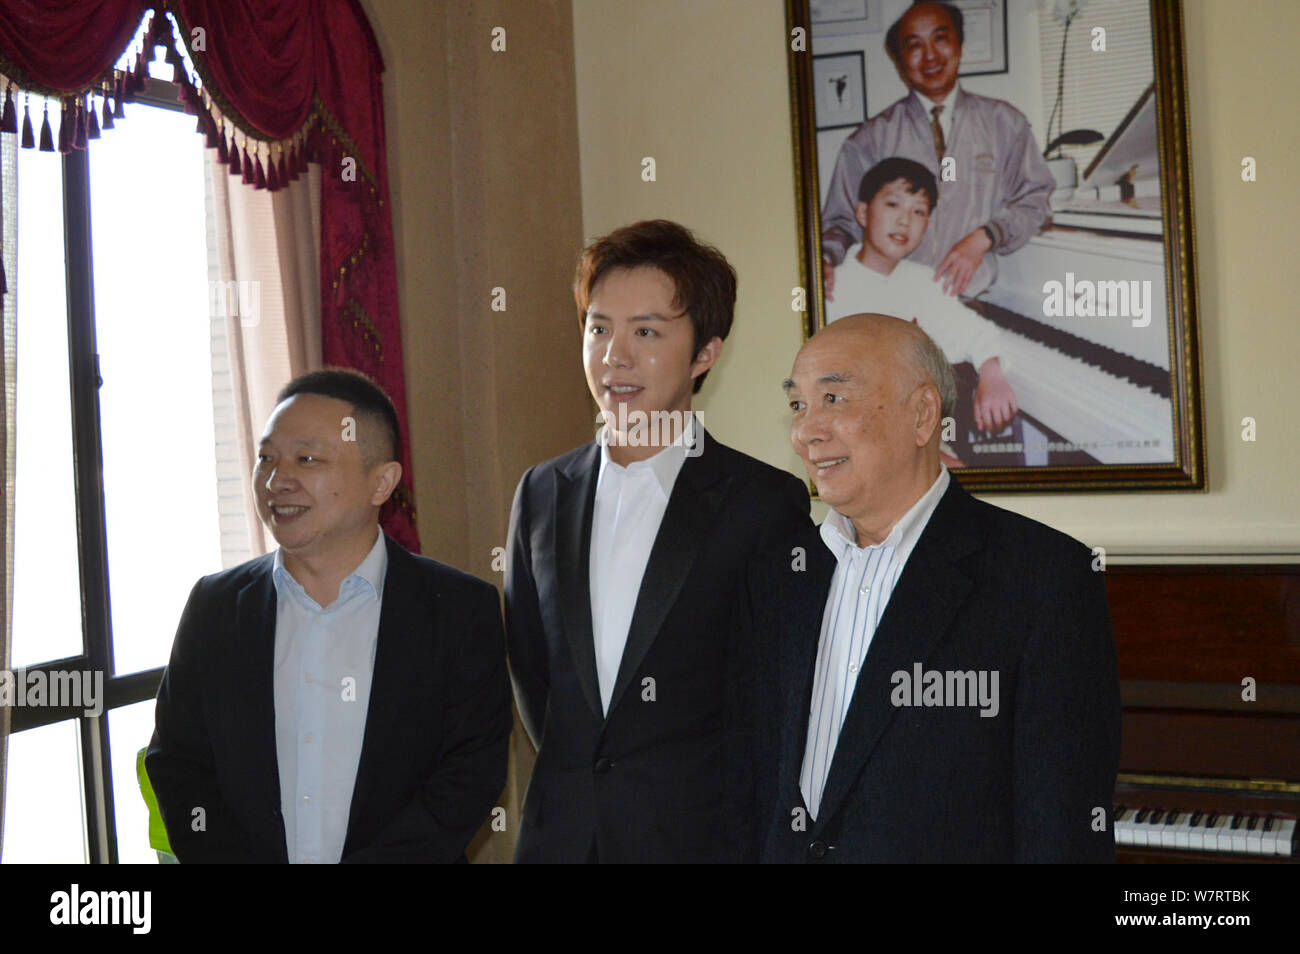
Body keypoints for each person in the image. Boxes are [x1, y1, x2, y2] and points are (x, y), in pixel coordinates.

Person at [747, 315, 1119, 862]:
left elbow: (1062, 829)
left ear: (923, 416)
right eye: (799, 405)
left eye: (833, 398)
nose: (805, 432)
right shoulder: (785, 572)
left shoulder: (1043, 578)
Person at [506, 219, 812, 863]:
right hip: (562, 840)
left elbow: (776, 701)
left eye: (646, 331)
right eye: (598, 328)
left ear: (706, 353)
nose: (614, 356)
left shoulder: (762, 503)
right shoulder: (541, 491)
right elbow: (537, 676)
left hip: (697, 840)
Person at [147, 369, 511, 863]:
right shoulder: (216, 608)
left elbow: (467, 779)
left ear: (381, 482)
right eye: (266, 458)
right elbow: (180, 766)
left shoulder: (458, 611)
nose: (278, 480)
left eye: (307, 458)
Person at [821, 1, 1054, 300]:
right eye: (914, 45)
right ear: (899, 59)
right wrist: (826, 260)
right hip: (893, 311)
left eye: (940, 38)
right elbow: (840, 223)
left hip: (976, 304)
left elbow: (1036, 202)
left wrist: (986, 236)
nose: (930, 55)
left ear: (959, 44)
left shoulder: (1005, 124)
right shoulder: (868, 140)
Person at [827, 156, 1017, 444]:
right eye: (893, 205)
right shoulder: (832, 286)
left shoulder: (924, 282)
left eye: (919, 212)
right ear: (863, 213)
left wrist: (991, 373)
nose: (905, 221)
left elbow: (975, 332)